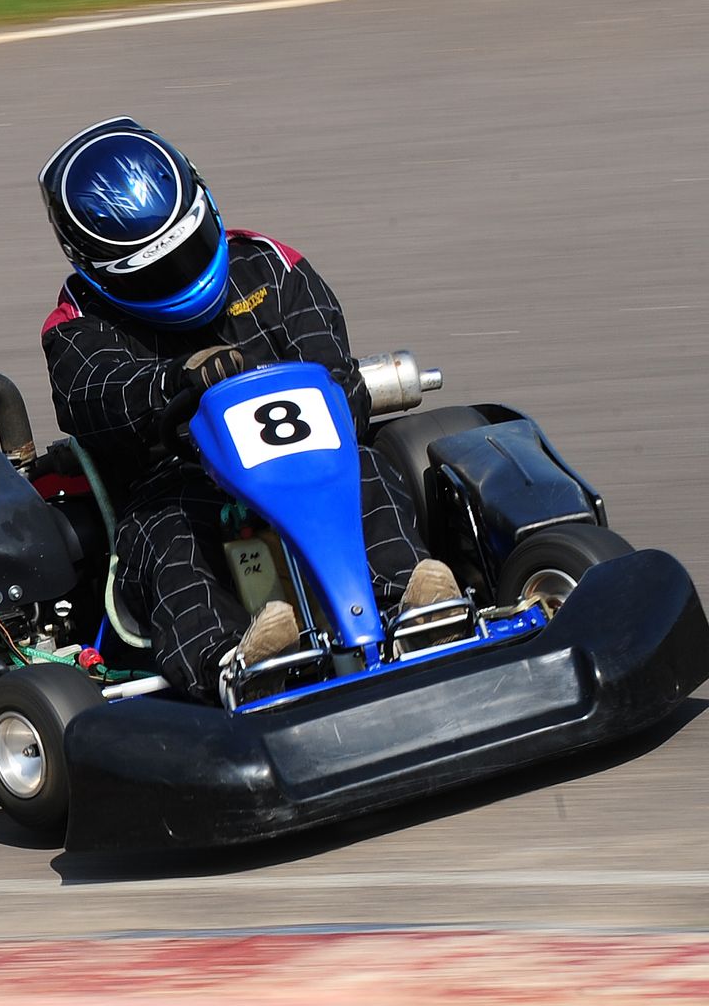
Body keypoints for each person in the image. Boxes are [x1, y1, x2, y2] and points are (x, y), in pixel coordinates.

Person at [36, 118, 457, 703]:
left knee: (368, 468)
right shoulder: (78, 326)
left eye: (188, 252)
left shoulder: (270, 265)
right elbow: (98, 394)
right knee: (169, 532)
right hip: (182, 487)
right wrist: (173, 382)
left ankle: (411, 603)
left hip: (311, 461)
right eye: (155, 272)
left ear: (204, 205)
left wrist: (331, 386)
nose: (180, 276)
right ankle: (234, 662)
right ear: (96, 268)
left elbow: (332, 368)